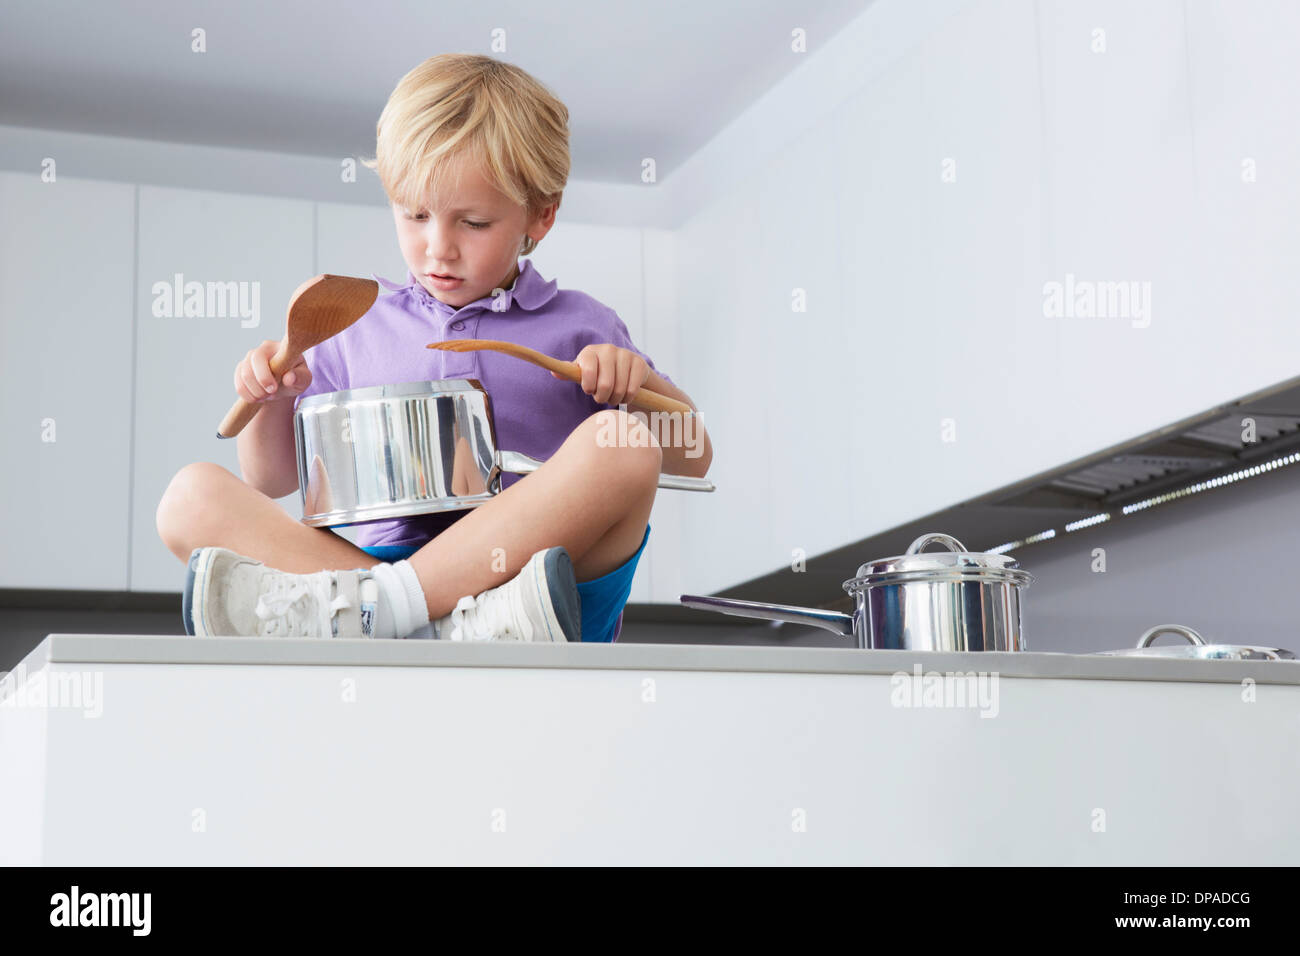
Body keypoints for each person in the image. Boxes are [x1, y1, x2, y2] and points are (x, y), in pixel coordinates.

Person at [155, 53, 712, 642]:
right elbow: (268, 479)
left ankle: (385, 612)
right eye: (415, 214)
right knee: (188, 497)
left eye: (472, 223)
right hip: (366, 570)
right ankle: (406, 614)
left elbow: (694, 455)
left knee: (623, 443)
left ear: (540, 216)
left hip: (531, 589)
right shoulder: (350, 322)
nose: (437, 249)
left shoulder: (581, 324)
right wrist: (269, 395)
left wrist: (637, 389)